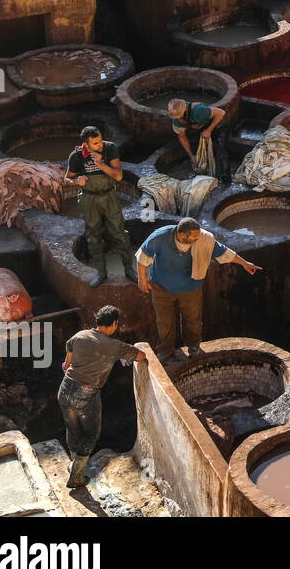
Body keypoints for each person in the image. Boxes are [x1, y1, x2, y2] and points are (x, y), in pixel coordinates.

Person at [136, 217, 260, 363]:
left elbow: (224, 252)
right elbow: (142, 257)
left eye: (198, 234)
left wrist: (244, 263)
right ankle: (166, 352)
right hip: (161, 288)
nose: (198, 238)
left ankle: (194, 347)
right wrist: (142, 279)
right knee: (164, 322)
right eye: (194, 236)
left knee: (193, 320)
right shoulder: (160, 236)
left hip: (190, 288)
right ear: (182, 235)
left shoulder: (203, 238)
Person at [58, 305, 145, 488]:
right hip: (87, 394)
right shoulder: (114, 346)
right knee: (90, 434)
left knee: (72, 430)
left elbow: (66, 364)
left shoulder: (79, 336)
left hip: (65, 389)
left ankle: (74, 465)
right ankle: (76, 476)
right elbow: (140, 355)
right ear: (114, 324)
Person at [65, 126, 137, 288]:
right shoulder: (76, 156)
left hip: (109, 196)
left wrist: (101, 164)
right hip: (88, 198)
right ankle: (101, 273)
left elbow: (118, 176)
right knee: (93, 236)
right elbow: (67, 178)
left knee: (119, 233)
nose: (100, 145)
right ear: (86, 144)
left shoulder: (110, 148)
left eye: (100, 140)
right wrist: (76, 181)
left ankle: (129, 269)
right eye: (96, 143)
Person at [166, 97, 230, 183]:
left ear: (184, 110)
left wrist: (208, 130)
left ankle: (226, 175)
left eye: (179, 116)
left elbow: (221, 113)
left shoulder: (199, 110)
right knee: (199, 149)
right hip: (202, 127)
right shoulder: (177, 121)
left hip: (218, 125)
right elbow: (182, 137)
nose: (177, 118)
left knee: (220, 147)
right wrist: (191, 156)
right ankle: (207, 171)